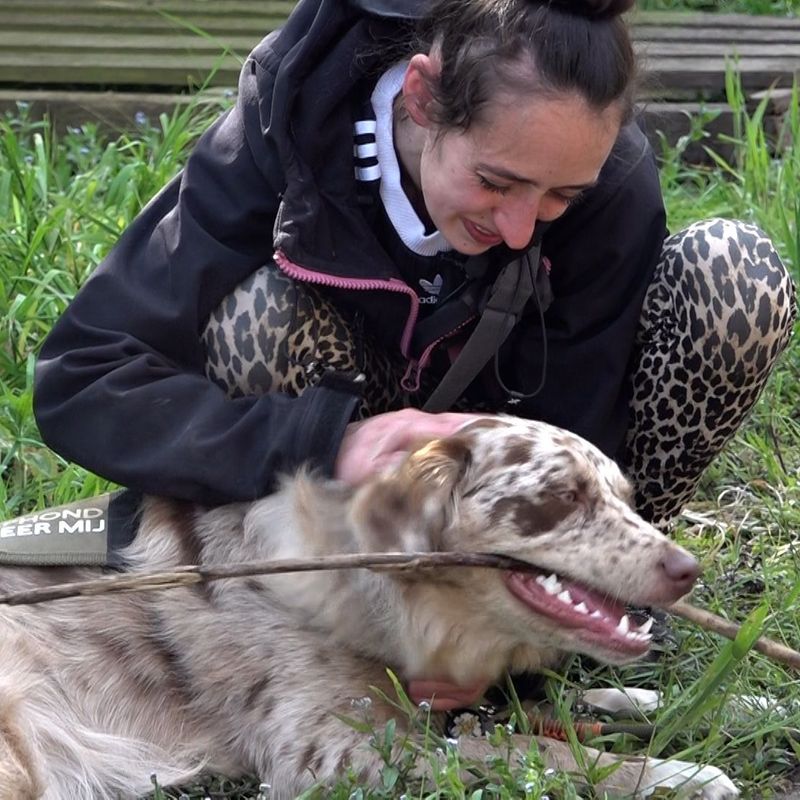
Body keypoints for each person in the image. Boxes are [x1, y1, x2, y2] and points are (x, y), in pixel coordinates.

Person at [33, 0, 795, 534]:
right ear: (424, 98)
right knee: (258, 315)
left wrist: (513, 613)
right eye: (496, 182)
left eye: (561, 194)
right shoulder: (288, 125)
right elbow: (83, 375)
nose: (521, 226)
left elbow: (572, 430)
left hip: (527, 468)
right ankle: (332, 597)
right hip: (347, 489)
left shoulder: (608, 177)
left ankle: (605, 588)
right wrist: (324, 442)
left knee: (738, 275)